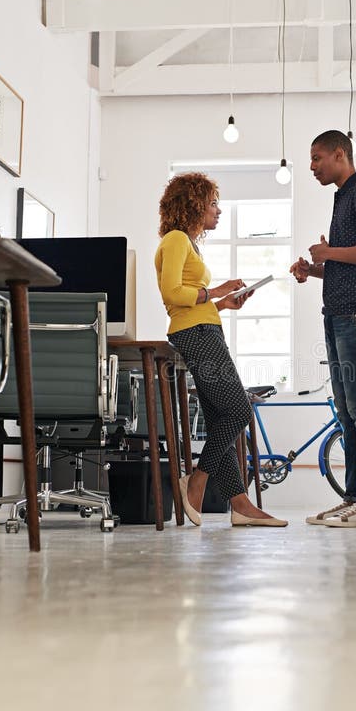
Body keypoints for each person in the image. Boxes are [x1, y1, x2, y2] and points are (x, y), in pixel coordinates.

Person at [155, 172, 288, 528]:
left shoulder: (187, 243)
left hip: (203, 327)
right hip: (196, 333)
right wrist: (215, 291)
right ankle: (196, 481)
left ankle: (240, 505)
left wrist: (223, 303)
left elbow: (189, 301)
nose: (218, 210)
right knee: (240, 409)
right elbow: (171, 293)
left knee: (219, 419)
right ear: (194, 204)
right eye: (213, 203)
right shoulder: (176, 239)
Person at [290, 130, 356, 528]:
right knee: (347, 413)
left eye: (317, 158)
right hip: (338, 315)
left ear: (339, 154)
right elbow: (352, 265)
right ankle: (353, 498)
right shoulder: (343, 197)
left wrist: (329, 252)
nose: (312, 166)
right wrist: (316, 269)